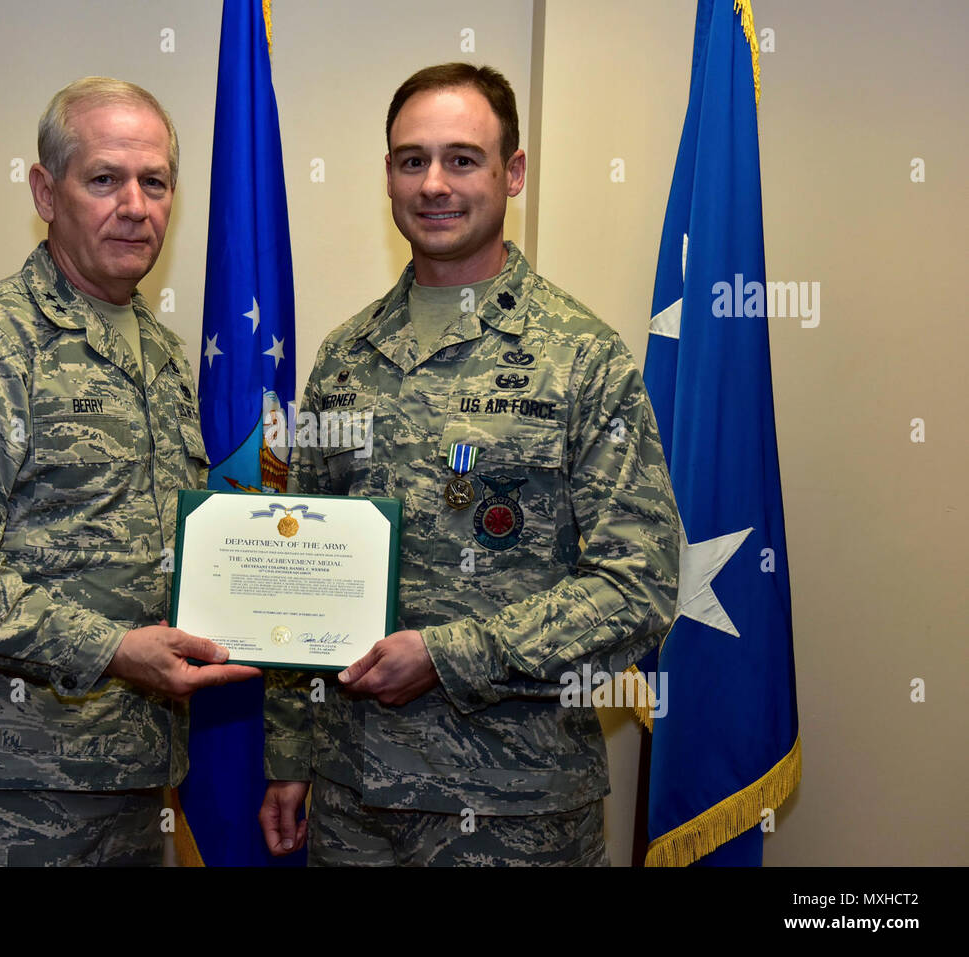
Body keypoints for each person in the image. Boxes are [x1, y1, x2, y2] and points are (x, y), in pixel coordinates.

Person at [259, 63, 681, 866]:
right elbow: (295, 565)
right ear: (388, 174)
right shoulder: (345, 357)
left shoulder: (582, 358)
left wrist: (450, 655)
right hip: (355, 803)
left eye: (463, 158)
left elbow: (641, 583)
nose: (434, 184)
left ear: (512, 173)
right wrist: (289, 754)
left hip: (517, 812)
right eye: (411, 159)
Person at [0, 77, 259, 866]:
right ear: (47, 192)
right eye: (105, 179)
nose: (135, 204)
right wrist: (113, 649)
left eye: (154, 182)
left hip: (130, 785)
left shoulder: (157, 353)